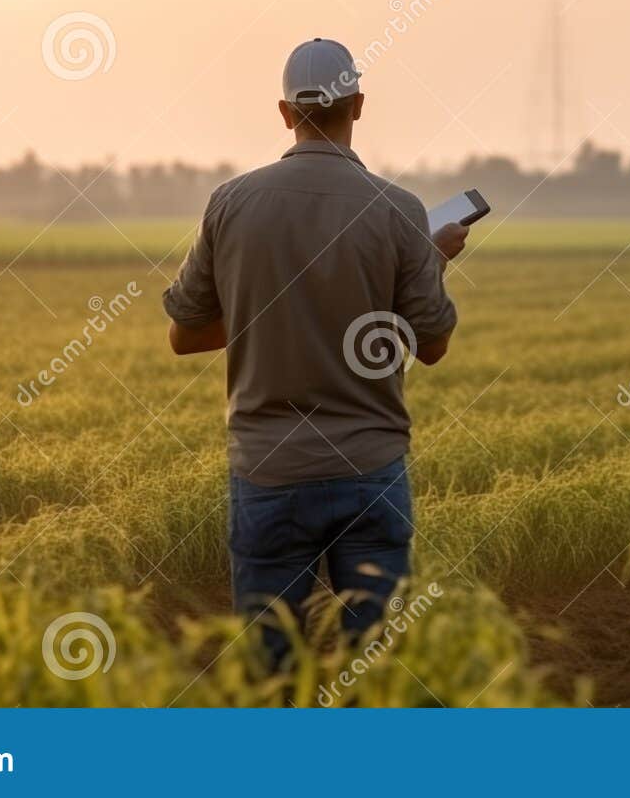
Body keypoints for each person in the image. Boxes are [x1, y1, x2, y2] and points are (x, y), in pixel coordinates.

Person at [161, 38, 466, 663]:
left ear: (282, 112)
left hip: (268, 471)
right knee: (373, 676)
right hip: (370, 469)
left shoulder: (230, 203)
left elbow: (184, 335)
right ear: (357, 105)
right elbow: (430, 346)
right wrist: (431, 260)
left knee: (272, 674)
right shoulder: (400, 212)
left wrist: (262, 314)